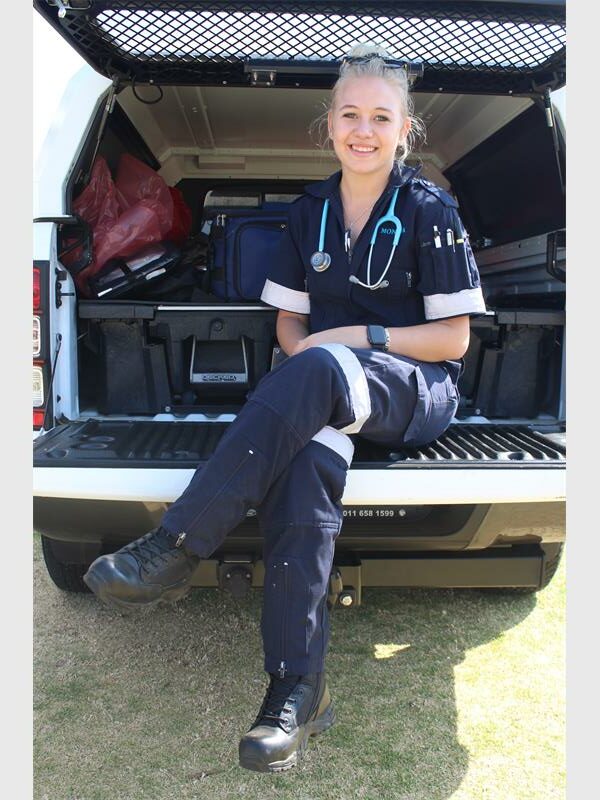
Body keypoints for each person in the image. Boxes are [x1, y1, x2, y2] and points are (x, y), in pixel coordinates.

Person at [83, 43, 487, 773]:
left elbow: (453, 339)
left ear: (405, 129)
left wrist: (350, 340)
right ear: (329, 122)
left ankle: (176, 548)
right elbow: (288, 323)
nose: (363, 129)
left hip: (413, 385)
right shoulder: (310, 212)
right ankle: (296, 692)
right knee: (301, 467)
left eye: (381, 117)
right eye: (350, 114)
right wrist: (312, 357)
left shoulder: (431, 209)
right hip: (325, 387)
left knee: (323, 367)